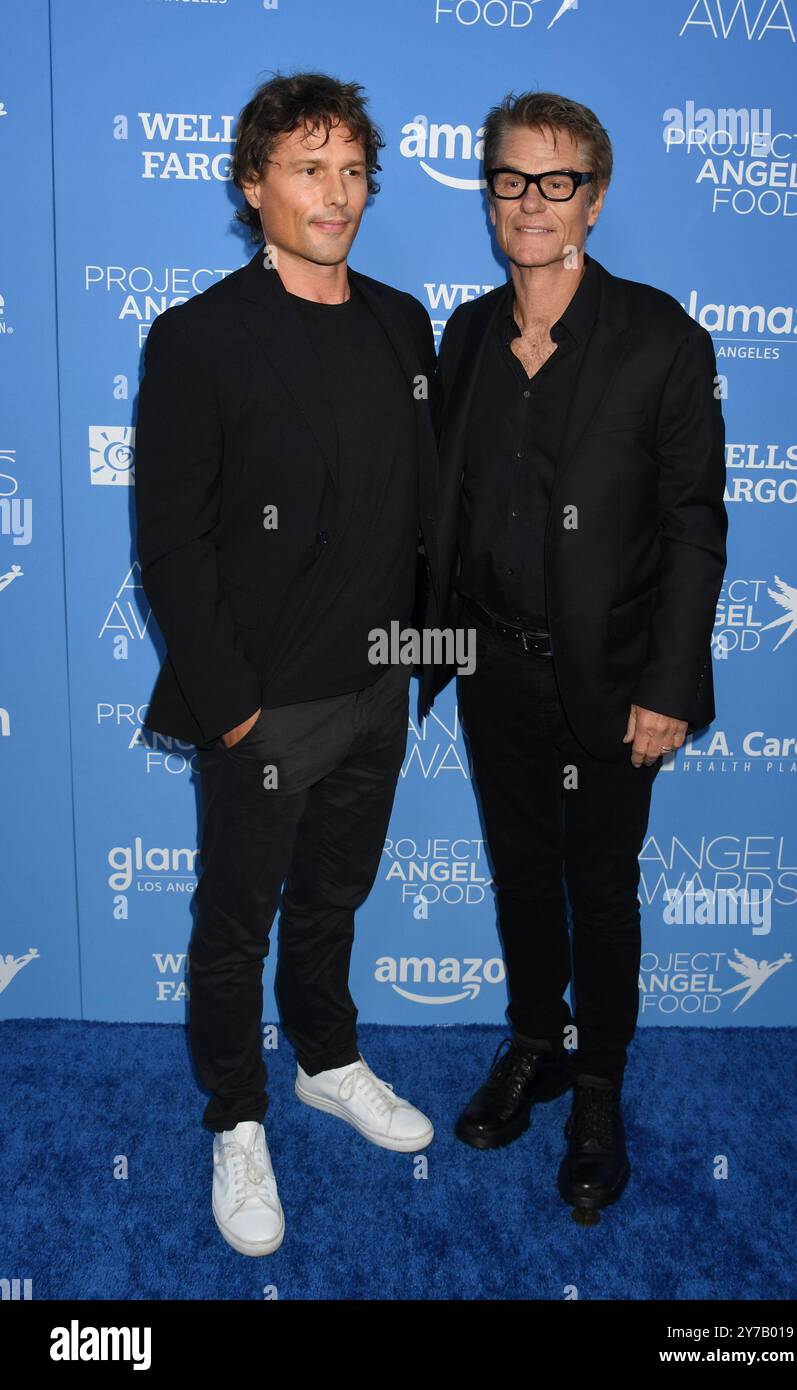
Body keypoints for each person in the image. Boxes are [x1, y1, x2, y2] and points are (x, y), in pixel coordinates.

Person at [134, 71, 440, 1257]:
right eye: (309, 168)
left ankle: (327, 1057)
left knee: (334, 900)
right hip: (265, 707)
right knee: (236, 922)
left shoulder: (402, 322)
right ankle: (235, 1113)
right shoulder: (201, 336)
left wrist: (424, 658)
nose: (338, 193)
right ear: (252, 184)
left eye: (354, 170)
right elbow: (168, 541)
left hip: (377, 690)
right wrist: (233, 711)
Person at [428, 91, 728, 1221]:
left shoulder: (660, 339)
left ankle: (596, 1081)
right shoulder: (461, 336)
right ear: (488, 192)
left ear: (593, 201)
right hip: (490, 670)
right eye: (510, 178)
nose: (530, 202)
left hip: (612, 683)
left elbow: (695, 525)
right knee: (519, 876)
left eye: (556, 182)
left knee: (599, 888)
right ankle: (535, 1045)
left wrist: (669, 685)